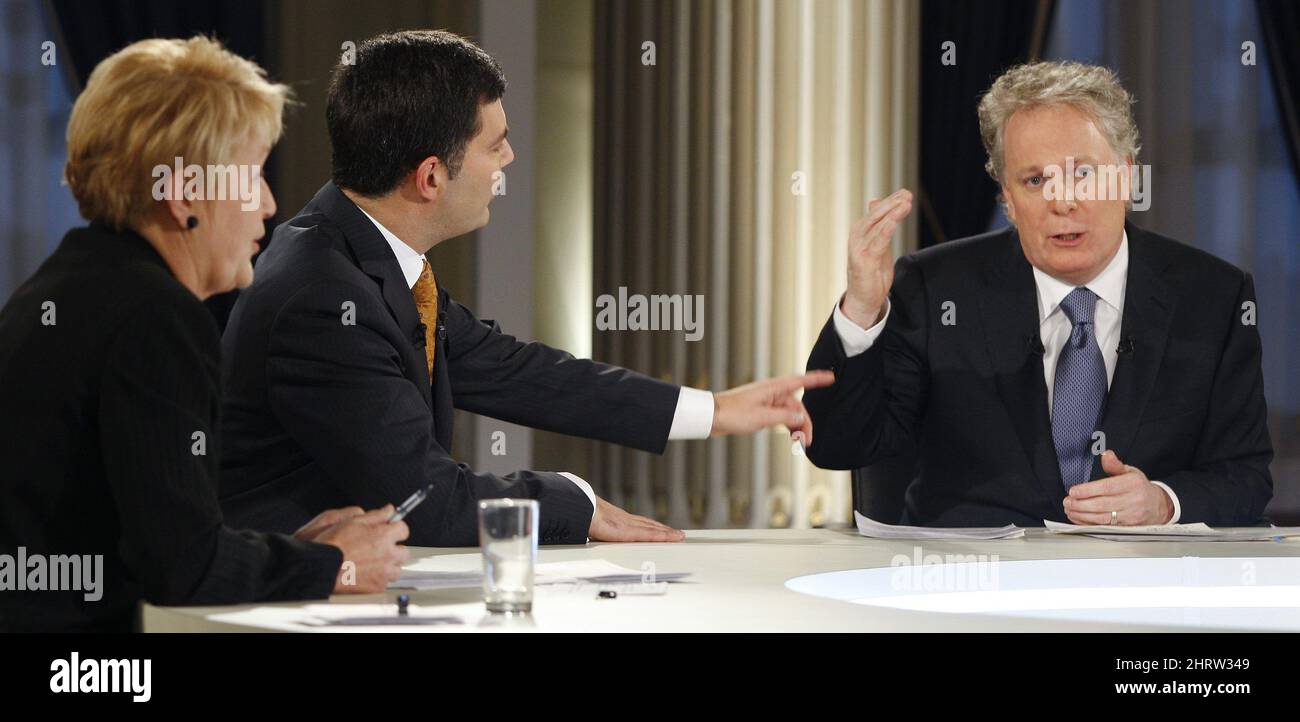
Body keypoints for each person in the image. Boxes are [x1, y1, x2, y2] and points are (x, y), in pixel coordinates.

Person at [219, 30, 833, 546]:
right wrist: (578, 500)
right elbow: (429, 502)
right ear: (431, 176)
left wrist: (717, 410)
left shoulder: (361, 251)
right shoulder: (324, 296)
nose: (509, 158)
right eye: (495, 144)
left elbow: (518, 371)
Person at [0, 37, 408, 632]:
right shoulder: (155, 316)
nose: (269, 204)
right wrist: (334, 565)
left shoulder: (70, 282)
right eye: (251, 176)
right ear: (184, 194)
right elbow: (182, 569)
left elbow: (147, 537)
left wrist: (294, 549)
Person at [803, 61, 1272, 527]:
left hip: (1139, 584)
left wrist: (1163, 503)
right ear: (1007, 197)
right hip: (970, 586)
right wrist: (861, 309)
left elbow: (1245, 475)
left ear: (1127, 176)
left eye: (1083, 174)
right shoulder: (935, 288)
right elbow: (837, 444)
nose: (1061, 201)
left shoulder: (1212, 297)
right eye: (1034, 181)